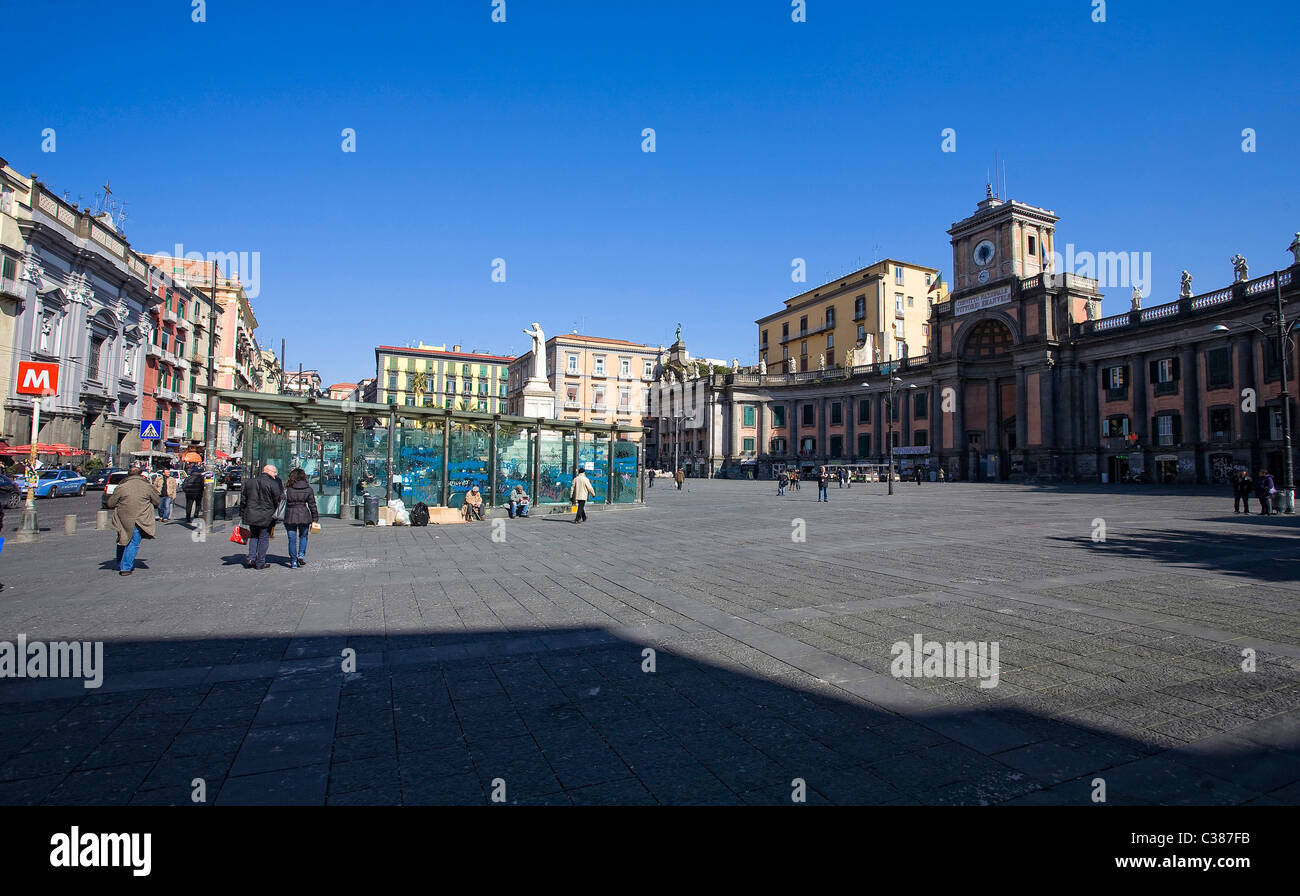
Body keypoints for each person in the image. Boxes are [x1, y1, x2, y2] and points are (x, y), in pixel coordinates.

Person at [107, 465, 157, 576]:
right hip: (140, 518)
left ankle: (120, 561)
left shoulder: (121, 486)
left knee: (122, 538)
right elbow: (156, 501)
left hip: (122, 518)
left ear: (128, 475)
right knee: (133, 542)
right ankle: (125, 567)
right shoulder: (147, 486)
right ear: (140, 475)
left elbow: (110, 503)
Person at [239, 463, 284, 569]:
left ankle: (251, 558)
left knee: (253, 536)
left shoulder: (250, 482)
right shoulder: (273, 484)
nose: (275, 474)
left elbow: (244, 499)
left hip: (251, 514)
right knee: (264, 538)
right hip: (266, 515)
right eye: (274, 472)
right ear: (268, 471)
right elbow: (278, 499)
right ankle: (260, 562)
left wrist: (242, 513)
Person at [282, 468, 319, 569]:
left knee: (291, 539)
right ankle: (301, 555)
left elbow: (280, 502)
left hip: (290, 515)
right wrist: (315, 518)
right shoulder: (308, 489)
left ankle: (293, 561)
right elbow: (312, 505)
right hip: (304, 515)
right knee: (303, 536)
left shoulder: (287, 489)